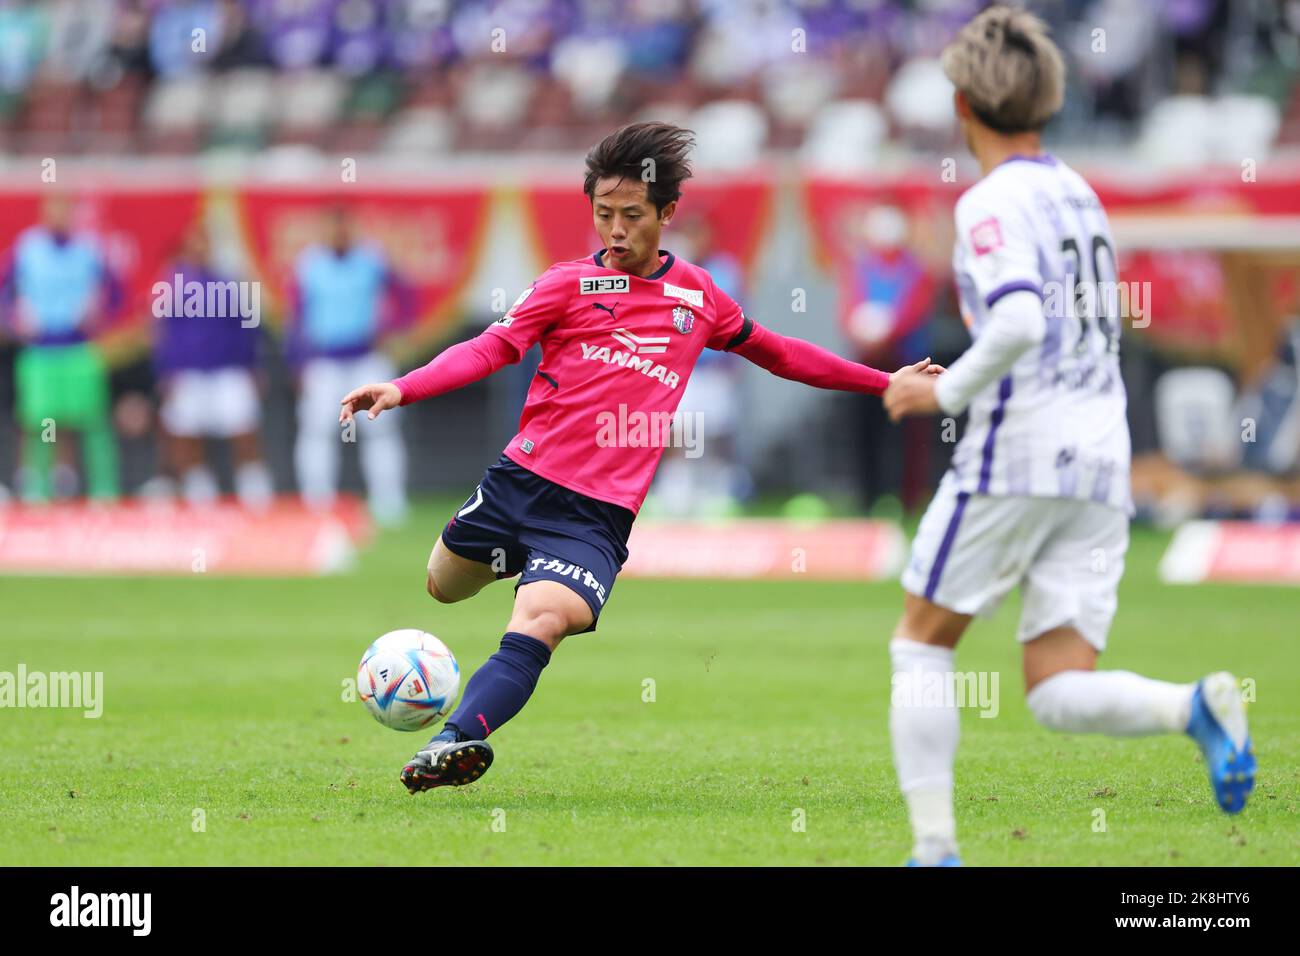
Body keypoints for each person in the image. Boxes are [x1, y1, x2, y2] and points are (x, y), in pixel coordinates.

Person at [339, 122, 940, 793]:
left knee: (540, 620)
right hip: (519, 482)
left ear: (666, 214)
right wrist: (402, 386)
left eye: (631, 215)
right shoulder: (565, 285)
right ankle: (445, 675)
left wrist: (886, 380)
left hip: (594, 516)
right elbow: (489, 348)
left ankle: (453, 742)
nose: (616, 230)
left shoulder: (698, 297)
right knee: (442, 586)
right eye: (603, 215)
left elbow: (781, 353)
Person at [881, 6, 1255, 867]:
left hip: (1020, 447)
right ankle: (1193, 707)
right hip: (1100, 454)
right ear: (1048, 101)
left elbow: (1014, 322)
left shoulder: (990, 201)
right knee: (1056, 687)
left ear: (963, 106)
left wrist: (947, 395)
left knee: (920, 640)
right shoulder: (1078, 193)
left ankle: (934, 849)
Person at [289, 205, 413, 525]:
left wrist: (395, 330)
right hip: (324, 359)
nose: (339, 234)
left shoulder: (372, 260)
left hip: (366, 356)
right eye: (333, 228)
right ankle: (318, 501)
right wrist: (298, 362)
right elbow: (297, 316)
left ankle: (389, 502)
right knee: (317, 430)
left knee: (381, 429)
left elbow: (406, 294)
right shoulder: (310, 265)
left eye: (344, 228)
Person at [2, 195, 121, 502]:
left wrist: (102, 315)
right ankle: (36, 492)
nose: (59, 217)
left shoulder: (89, 249)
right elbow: (4, 291)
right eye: (53, 211)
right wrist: (14, 319)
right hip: (40, 350)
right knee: (40, 424)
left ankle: (103, 492)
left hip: (79, 348)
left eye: (64, 210)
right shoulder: (27, 248)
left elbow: (117, 290)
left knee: (93, 421)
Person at [154, 220, 272, 509]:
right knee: (186, 435)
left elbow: (247, 329)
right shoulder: (172, 285)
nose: (199, 250)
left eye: (204, 243)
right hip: (189, 375)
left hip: (228, 372)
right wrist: (166, 373)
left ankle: (256, 497)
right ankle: (201, 499)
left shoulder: (231, 283)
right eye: (193, 244)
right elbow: (165, 334)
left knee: (243, 431)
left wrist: (252, 366)